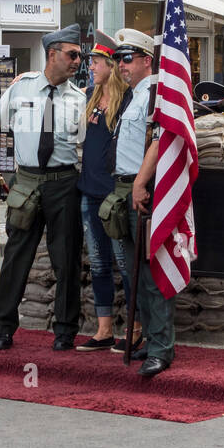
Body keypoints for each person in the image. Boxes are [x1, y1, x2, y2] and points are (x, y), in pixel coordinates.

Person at [0, 25, 86, 351]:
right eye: (73, 54)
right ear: (52, 54)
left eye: (80, 55)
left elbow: (87, 149)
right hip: (26, 181)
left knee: (65, 261)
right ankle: (4, 328)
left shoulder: (80, 99)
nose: (78, 60)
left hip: (64, 183)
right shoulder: (21, 89)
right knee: (16, 257)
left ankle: (65, 331)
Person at [112, 28, 175, 377]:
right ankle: (151, 340)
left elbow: (159, 141)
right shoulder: (134, 95)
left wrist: (138, 183)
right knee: (136, 274)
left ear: (146, 61)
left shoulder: (153, 94)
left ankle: (162, 349)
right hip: (124, 189)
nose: (122, 65)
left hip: (143, 190)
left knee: (152, 274)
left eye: (127, 58)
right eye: (119, 59)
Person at [75, 31, 132, 351]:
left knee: (125, 264)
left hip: (116, 193)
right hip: (90, 191)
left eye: (96, 62)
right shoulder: (89, 96)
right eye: (91, 62)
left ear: (111, 65)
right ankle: (104, 330)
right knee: (98, 264)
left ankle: (136, 330)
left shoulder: (128, 99)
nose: (91, 67)